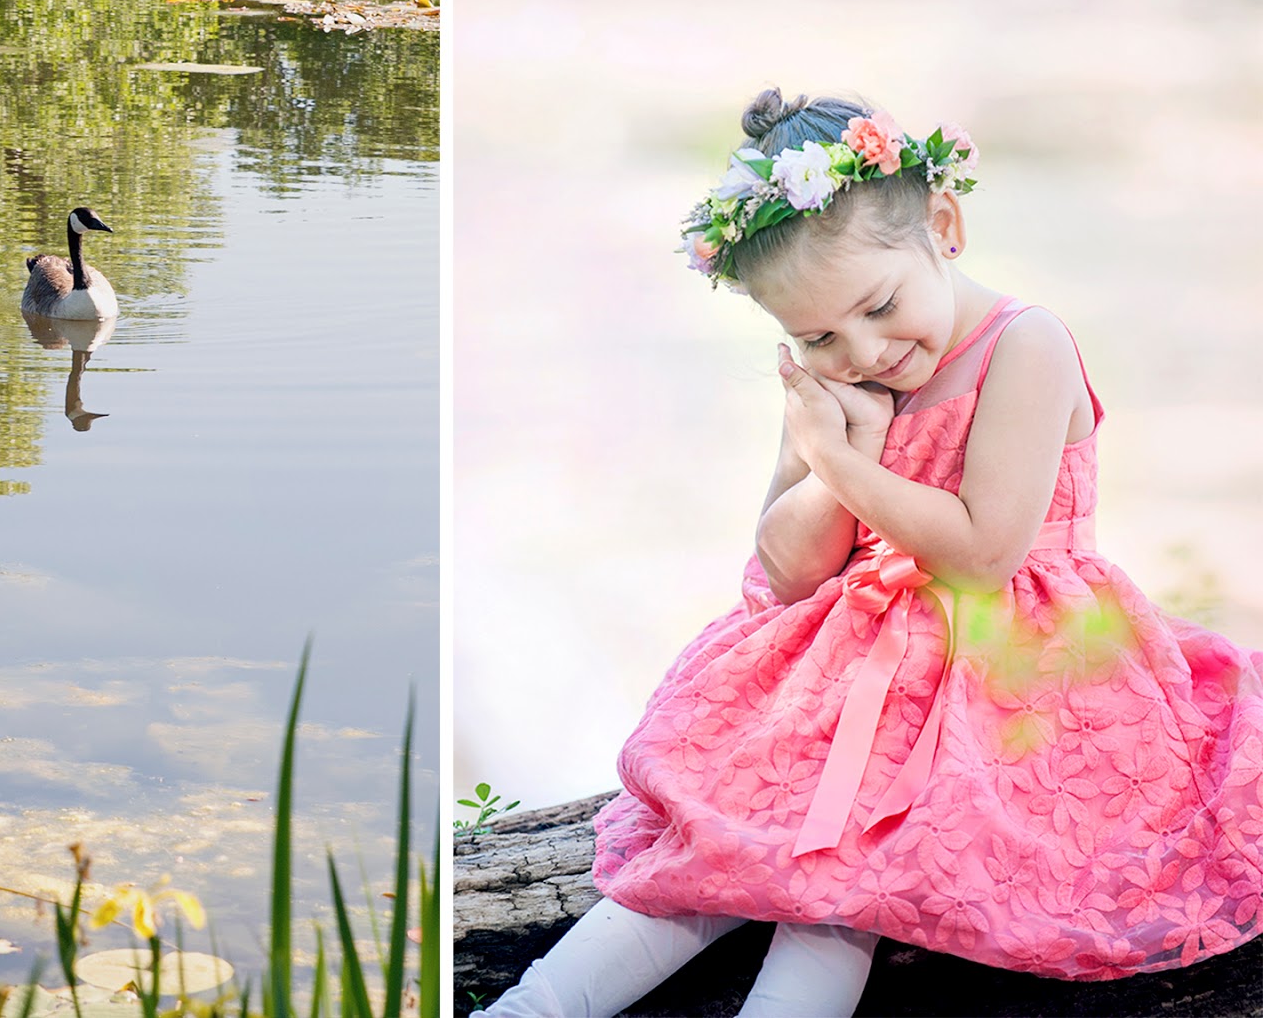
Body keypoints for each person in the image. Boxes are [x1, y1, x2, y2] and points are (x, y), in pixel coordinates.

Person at [474, 87, 1263, 1017]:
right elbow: (789, 570)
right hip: (848, 661)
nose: (864, 352)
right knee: (708, 855)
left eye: (880, 307)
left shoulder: (1026, 344)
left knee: (844, 872)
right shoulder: (833, 377)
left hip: (1003, 663)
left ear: (943, 223)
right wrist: (821, 457)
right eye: (816, 337)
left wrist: (844, 460)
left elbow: (981, 556)